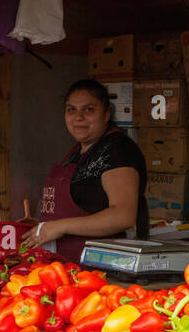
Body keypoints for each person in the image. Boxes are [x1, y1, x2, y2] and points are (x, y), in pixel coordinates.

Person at [22, 79, 147, 261]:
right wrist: (43, 226)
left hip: (102, 267)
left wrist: (60, 226)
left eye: (88, 109)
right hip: (66, 266)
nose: (78, 117)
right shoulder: (79, 150)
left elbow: (123, 216)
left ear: (106, 113)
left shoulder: (118, 150)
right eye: (71, 109)